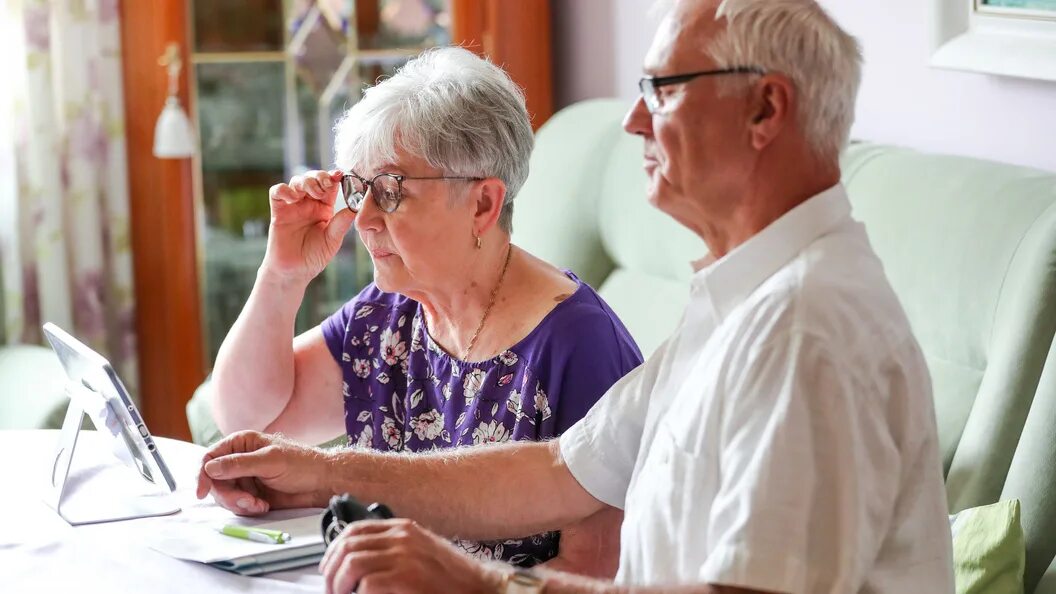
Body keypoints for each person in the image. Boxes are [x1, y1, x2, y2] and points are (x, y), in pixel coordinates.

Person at [197, 1, 956, 592]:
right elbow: (559, 471)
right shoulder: (740, 300)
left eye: (662, 90)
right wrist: (325, 472)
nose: (632, 120)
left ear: (765, 110)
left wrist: (481, 584)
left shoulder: (804, 327)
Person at [206, 46, 643, 573]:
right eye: (359, 188)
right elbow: (247, 416)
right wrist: (281, 276)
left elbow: (594, 568)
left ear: (482, 204)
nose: (363, 219)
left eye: (389, 191)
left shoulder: (579, 345)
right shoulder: (388, 315)